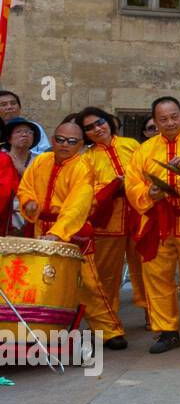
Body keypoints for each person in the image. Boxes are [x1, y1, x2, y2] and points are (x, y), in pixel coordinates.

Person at [17, 120, 126, 349]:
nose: (64, 144)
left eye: (71, 141)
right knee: (43, 282)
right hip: (41, 229)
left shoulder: (83, 167)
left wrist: (58, 234)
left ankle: (109, 331)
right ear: (53, 139)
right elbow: (25, 187)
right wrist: (29, 203)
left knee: (88, 283)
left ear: (81, 144)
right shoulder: (41, 161)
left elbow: (77, 207)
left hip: (73, 233)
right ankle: (43, 330)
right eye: (59, 139)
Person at [125, 96, 180, 354]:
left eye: (174, 117)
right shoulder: (144, 150)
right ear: (155, 120)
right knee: (157, 276)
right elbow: (132, 183)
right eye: (163, 119)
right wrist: (148, 193)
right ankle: (166, 331)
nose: (170, 122)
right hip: (157, 219)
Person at [78, 107, 146, 314]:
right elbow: (86, 189)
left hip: (139, 217)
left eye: (100, 123)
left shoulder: (131, 145)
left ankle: (153, 317)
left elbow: (147, 171)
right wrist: (112, 186)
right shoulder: (86, 158)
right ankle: (109, 322)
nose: (97, 129)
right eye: (89, 128)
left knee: (146, 269)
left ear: (108, 121)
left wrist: (132, 183)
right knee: (106, 275)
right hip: (108, 223)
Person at [4, 117, 39, 234]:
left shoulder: (40, 160)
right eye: (18, 132)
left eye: (29, 132)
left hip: (30, 214)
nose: (24, 135)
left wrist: (22, 170)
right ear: (9, 138)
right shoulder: (2, 159)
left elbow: (43, 186)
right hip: (5, 215)